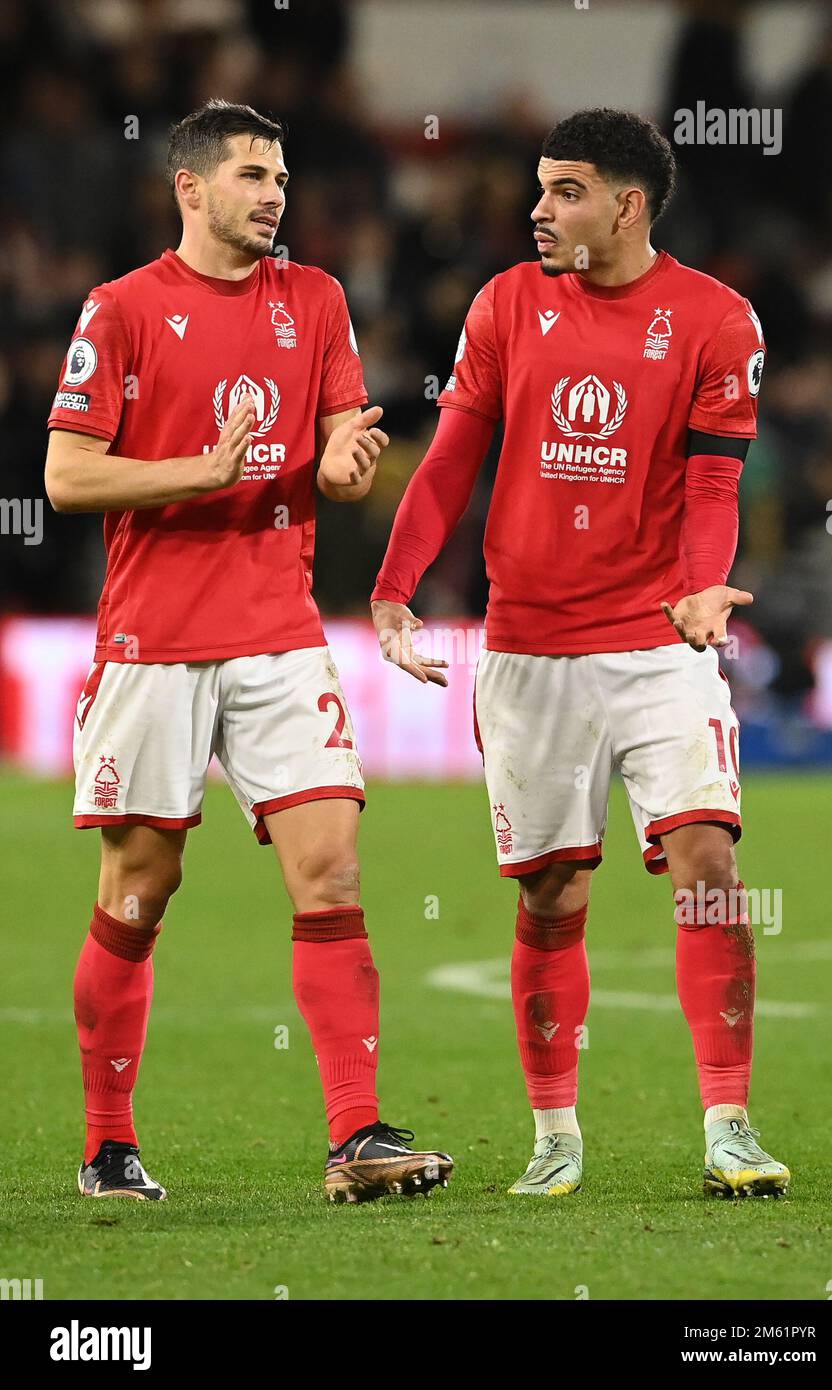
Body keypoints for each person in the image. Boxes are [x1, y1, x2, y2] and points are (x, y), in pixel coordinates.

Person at [372, 107, 788, 1200]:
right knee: (552, 894)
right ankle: (555, 1130)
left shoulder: (715, 320)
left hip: (657, 641)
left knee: (707, 867)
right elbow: (450, 459)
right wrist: (392, 589)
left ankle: (729, 1123)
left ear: (625, 203)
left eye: (563, 191)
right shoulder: (505, 304)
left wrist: (702, 584)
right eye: (538, 188)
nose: (537, 209)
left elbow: (711, 483)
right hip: (529, 647)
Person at [45, 99, 451, 1206]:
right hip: (154, 643)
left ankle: (355, 1134)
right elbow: (68, 478)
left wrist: (341, 467)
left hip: (278, 630)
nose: (273, 194)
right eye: (250, 175)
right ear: (190, 189)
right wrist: (194, 473)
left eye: (279, 175)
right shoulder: (121, 309)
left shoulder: (313, 299)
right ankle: (107, 1143)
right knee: (140, 888)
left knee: (332, 871)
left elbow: (331, 442)